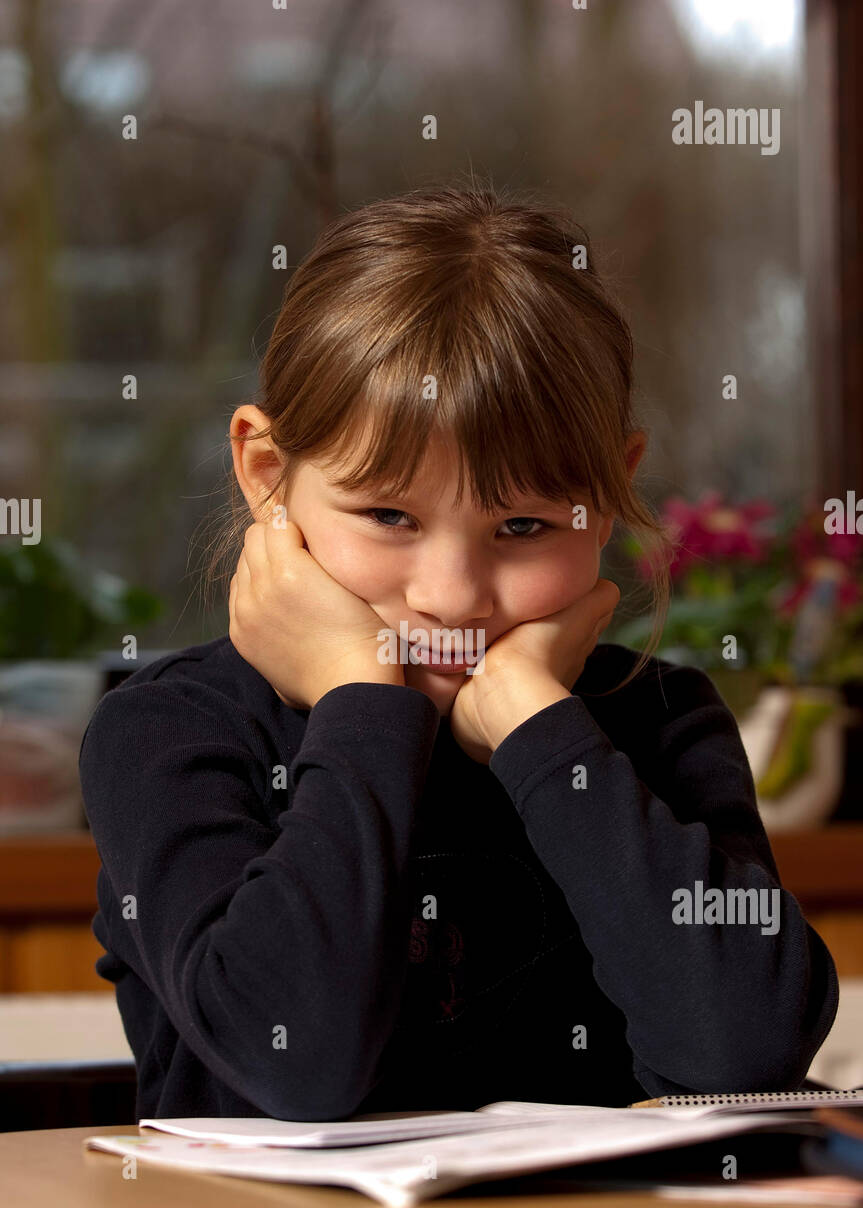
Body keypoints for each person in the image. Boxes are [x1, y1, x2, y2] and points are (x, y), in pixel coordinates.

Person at [78, 181, 838, 1121]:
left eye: (520, 525)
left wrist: (541, 734)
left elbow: (745, 1054)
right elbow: (294, 1064)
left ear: (607, 496)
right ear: (267, 474)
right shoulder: (167, 732)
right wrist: (364, 703)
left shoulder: (656, 721)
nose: (449, 593)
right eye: (388, 515)